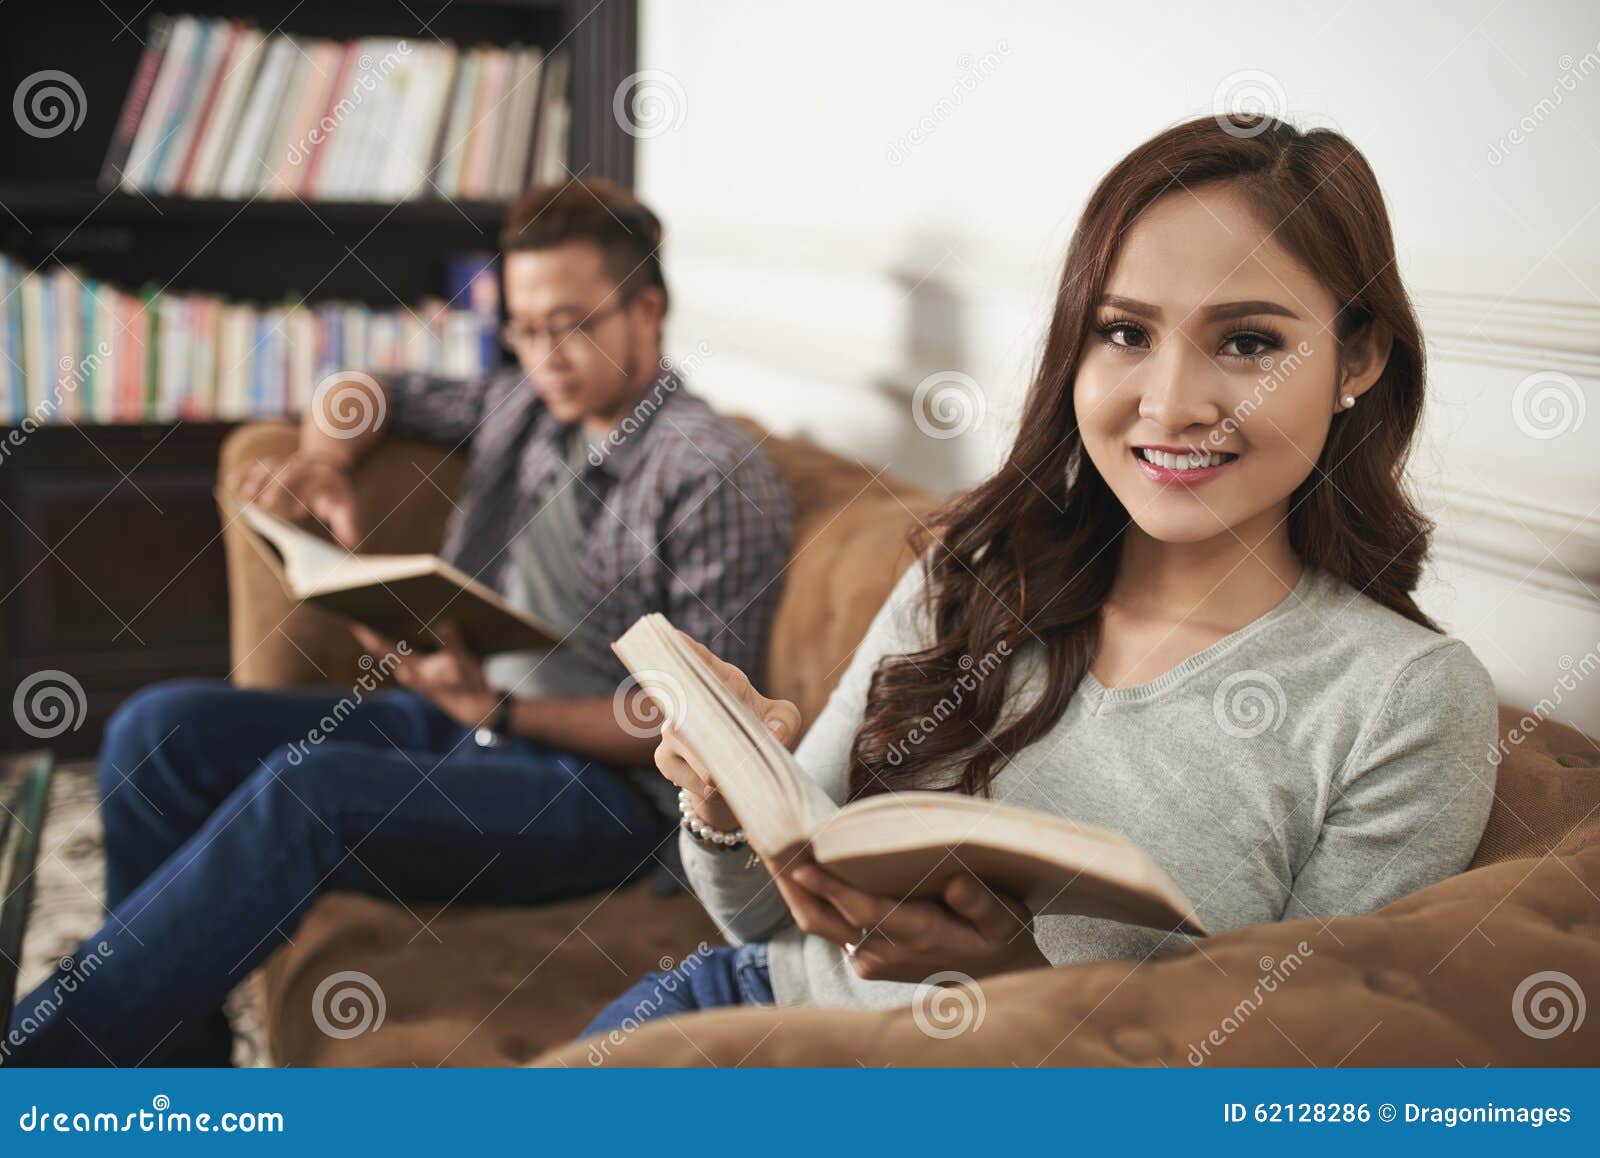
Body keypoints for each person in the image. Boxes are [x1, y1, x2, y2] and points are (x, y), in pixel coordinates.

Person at [581, 115, 1499, 1036]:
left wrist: (1010, 983)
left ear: (1362, 356)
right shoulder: (975, 566)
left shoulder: (1405, 703)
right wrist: (720, 804)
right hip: (740, 1012)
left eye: (1249, 342)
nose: (1170, 404)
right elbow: (763, 918)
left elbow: (1269, 1087)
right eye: (1125, 331)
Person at [6, 179, 794, 1066]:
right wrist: (321, 459)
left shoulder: (712, 475)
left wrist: (497, 714)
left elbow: (701, 732)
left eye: (572, 324)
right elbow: (363, 388)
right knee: (158, 732)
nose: (546, 355)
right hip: (462, 723)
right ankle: (170, 1061)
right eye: (524, 328)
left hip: (600, 796)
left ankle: (38, 1061)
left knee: (306, 790)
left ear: (648, 310)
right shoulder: (523, 409)